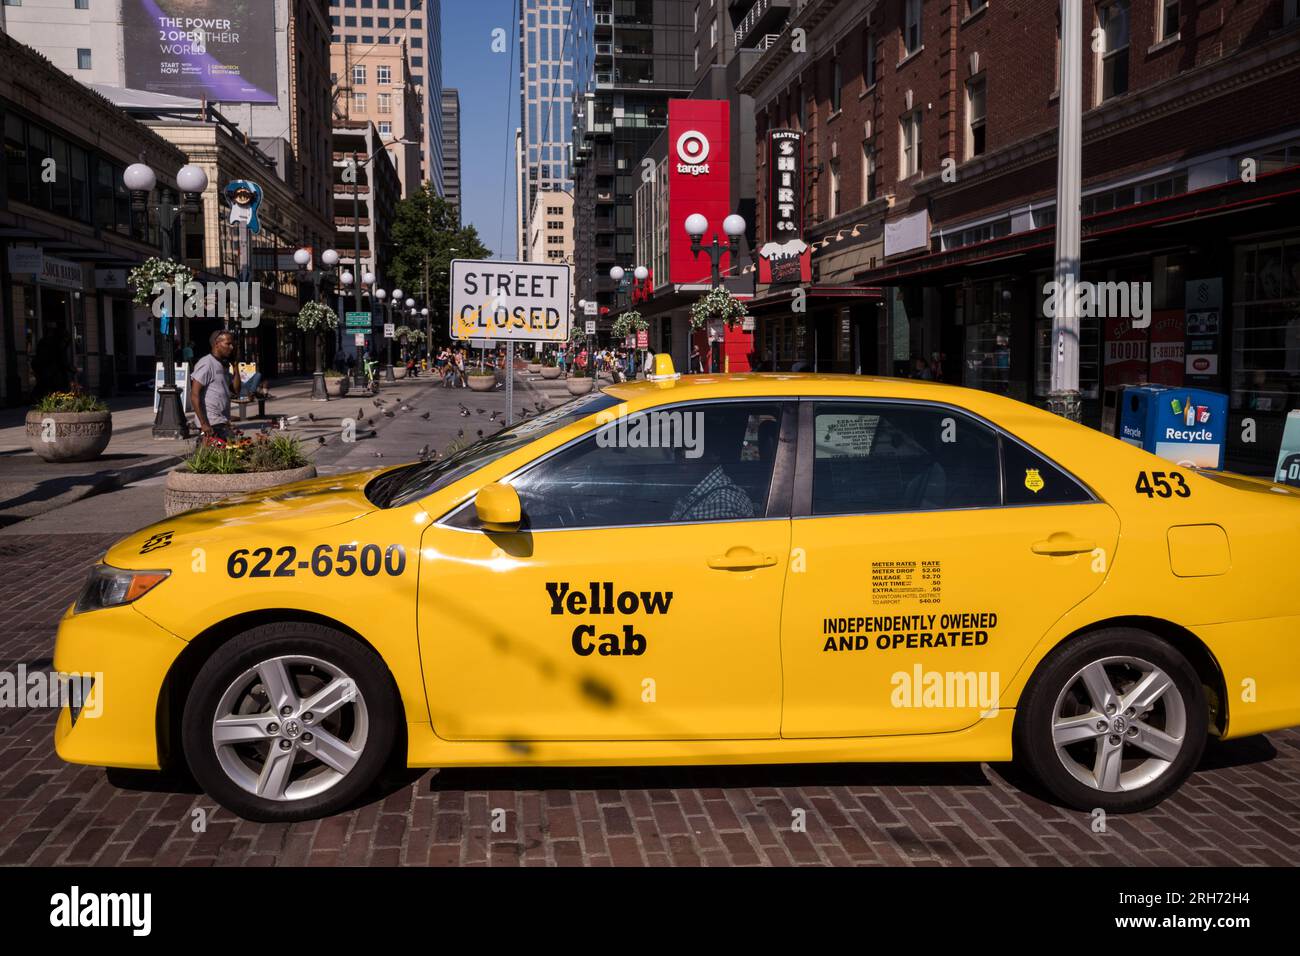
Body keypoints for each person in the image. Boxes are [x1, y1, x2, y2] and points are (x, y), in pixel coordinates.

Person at [190, 329, 241, 442]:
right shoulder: (207, 363)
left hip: (222, 420)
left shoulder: (224, 365)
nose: (232, 347)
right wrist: (204, 424)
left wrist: (235, 366)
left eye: (232, 344)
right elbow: (194, 394)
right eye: (228, 344)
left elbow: (236, 390)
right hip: (211, 423)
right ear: (217, 344)